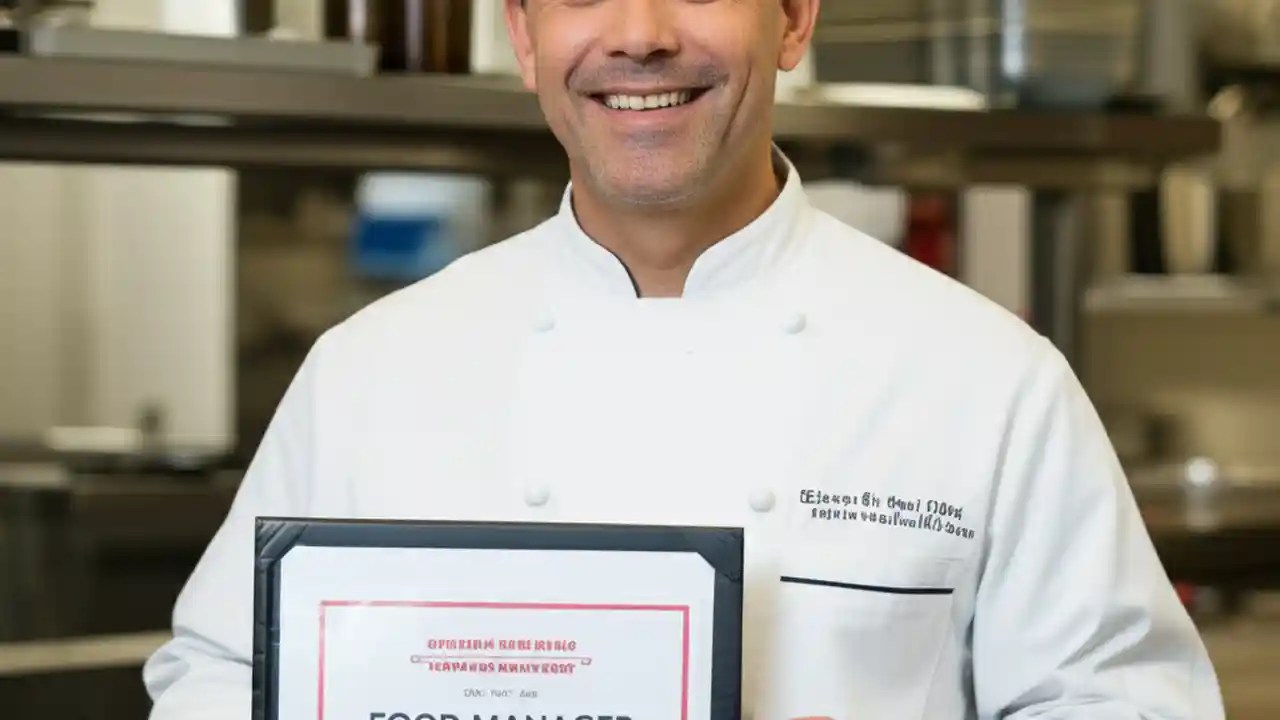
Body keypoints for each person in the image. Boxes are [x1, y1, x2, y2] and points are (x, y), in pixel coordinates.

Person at [144, 0, 1226, 718]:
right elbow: (217, 681)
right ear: (523, 37)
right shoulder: (368, 372)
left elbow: (1118, 703)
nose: (640, 35)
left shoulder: (988, 380)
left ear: (793, 17)